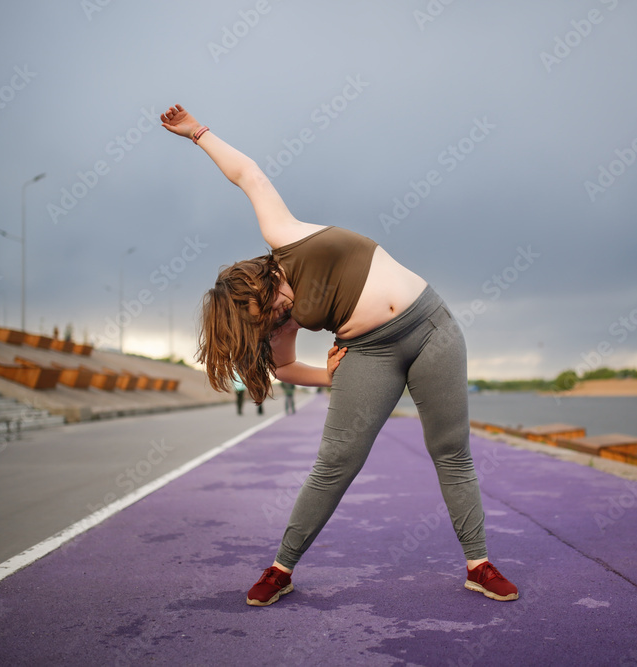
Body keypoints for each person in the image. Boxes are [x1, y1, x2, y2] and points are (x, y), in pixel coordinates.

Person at [160, 104, 517, 607]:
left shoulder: (283, 237)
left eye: (265, 310)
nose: (274, 319)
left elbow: (248, 174)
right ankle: (281, 569)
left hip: (433, 327)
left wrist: (196, 132)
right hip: (367, 354)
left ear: (257, 282)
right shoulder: (280, 321)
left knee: (451, 451)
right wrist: (330, 378)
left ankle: (478, 565)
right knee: (335, 464)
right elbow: (283, 367)